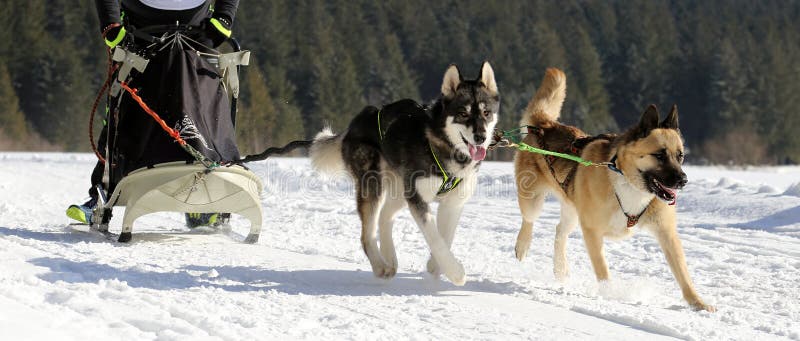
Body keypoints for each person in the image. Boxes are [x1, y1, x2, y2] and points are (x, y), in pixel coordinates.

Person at [66, 0, 240, 226]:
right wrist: (111, 25)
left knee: (202, 100)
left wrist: (225, 16)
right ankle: (102, 194)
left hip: (198, 26)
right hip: (142, 26)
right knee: (128, 100)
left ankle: (206, 193)